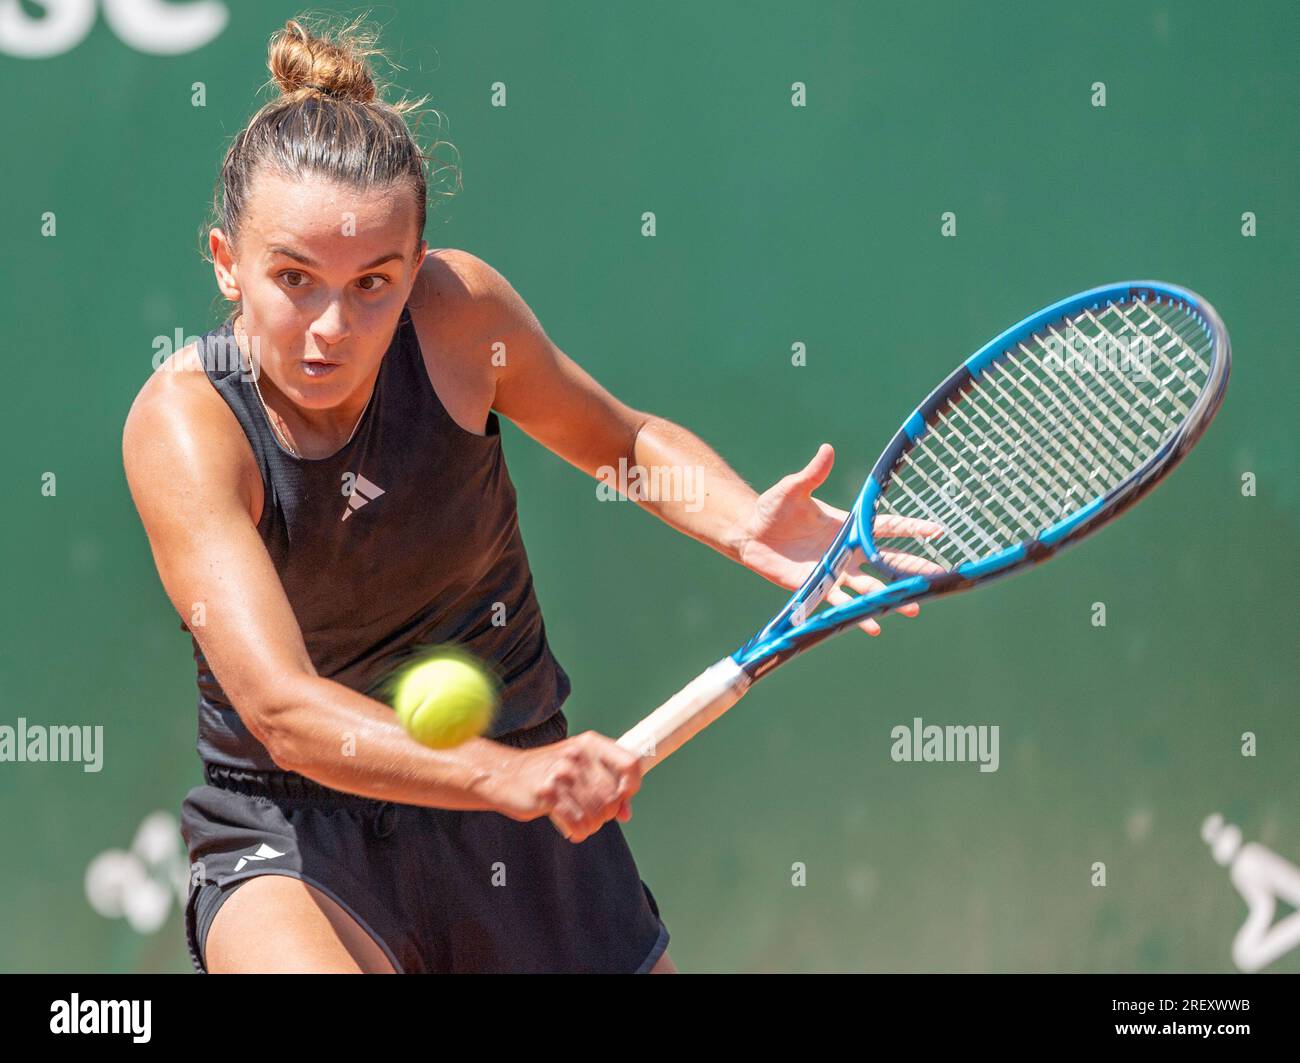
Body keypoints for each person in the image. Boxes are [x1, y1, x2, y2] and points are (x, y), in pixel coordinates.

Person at [122, 16, 933, 973]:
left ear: (419, 266)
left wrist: (736, 517)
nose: (329, 329)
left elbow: (621, 440)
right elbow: (284, 711)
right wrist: (505, 776)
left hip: (518, 786)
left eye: (373, 283)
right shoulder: (187, 425)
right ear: (227, 261)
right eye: (294, 278)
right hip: (298, 836)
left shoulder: (461, 320)